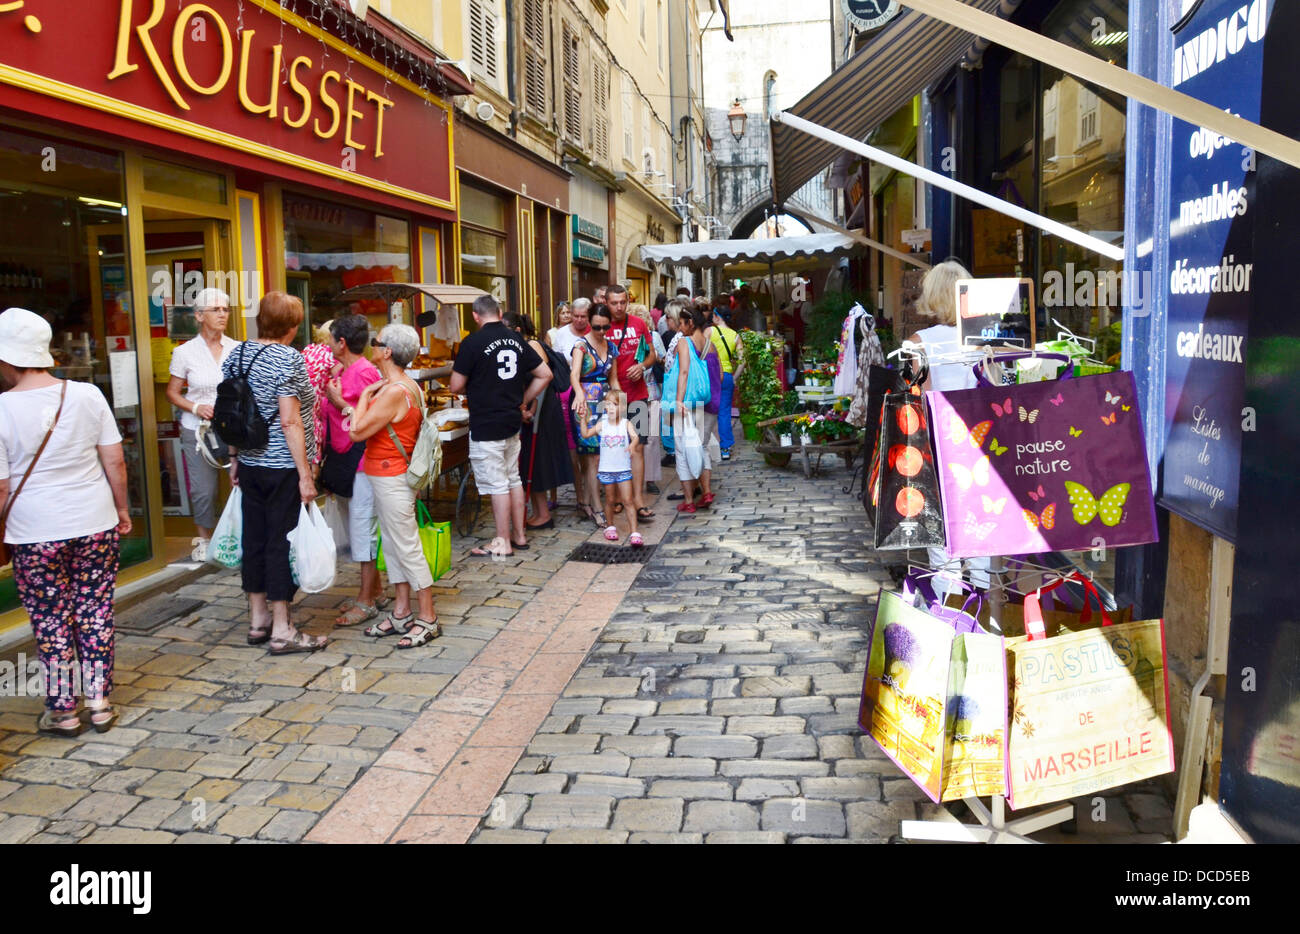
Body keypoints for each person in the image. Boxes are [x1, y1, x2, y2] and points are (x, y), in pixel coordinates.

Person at [0, 308, 131, 736]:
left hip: (34, 531)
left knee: (50, 618)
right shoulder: (87, 395)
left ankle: (64, 711)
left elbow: (1, 487)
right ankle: (100, 704)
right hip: (94, 521)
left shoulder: (2, 408)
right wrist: (122, 509)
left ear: (7, 359)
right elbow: (115, 461)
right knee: (95, 609)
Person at [224, 292, 325, 655]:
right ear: (292, 326)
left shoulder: (236, 354)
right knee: (280, 541)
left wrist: (234, 458)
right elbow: (290, 420)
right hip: (282, 466)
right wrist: (305, 475)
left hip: (250, 463)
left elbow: (231, 410)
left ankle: (258, 620)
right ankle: (283, 628)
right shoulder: (288, 358)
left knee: (254, 538)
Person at [349, 324, 440, 648]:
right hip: (388, 476)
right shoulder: (404, 385)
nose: (372, 345)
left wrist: (363, 397)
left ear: (387, 352)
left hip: (391, 477)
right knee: (393, 545)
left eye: (376, 342)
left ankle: (428, 616)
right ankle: (402, 611)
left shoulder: (393, 391)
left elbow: (356, 431)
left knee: (406, 546)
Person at [907, 259, 990, 602]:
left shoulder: (919, 342)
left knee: (941, 530)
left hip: (940, 442)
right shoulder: (983, 339)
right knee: (981, 524)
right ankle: (983, 605)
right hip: (981, 442)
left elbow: (920, 400)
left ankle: (947, 607)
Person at [448, 295, 551, 557]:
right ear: (500, 312)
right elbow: (545, 374)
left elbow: (455, 386)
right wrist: (523, 400)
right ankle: (519, 535)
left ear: (475, 316)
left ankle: (502, 541)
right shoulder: (515, 338)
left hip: (486, 422)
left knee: (497, 484)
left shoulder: (472, 342)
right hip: (511, 421)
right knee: (512, 478)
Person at [319, 314, 384, 628]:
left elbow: (375, 415)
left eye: (331, 339)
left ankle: (366, 600)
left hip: (362, 463)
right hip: (345, 462)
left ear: (341, 343)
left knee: (363, 532)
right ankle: (375, 591)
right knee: (358, 529)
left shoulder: (366, 372)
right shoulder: (345, 370)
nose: (328, 344)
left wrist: (338, 400)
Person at [165, 287, 237, 561]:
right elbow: (172, 393)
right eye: (215, 310)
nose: (222, 314)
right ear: (198, 316)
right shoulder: (184, 352)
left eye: (225, 309)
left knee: (240, 482)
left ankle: (239, 537)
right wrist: (196, 407)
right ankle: (204, 540)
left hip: (231, 427)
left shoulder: (236, 348)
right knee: (203, 490)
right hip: (197, 429)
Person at [504, 311, 573, 528]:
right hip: (533, 410)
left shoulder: (532, 346)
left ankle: (543, 514)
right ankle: (539, 511)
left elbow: (542, 380)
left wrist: (528, 406)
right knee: (530, 463)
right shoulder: (517, 348)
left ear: (517, 330)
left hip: (542, 411)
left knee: (538, 462)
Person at [604, 284, 657, 522]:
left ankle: (637, 499)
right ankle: (615, 498)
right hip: (612, 399)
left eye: (622, 302)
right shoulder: (601, 326)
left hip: (638, 394)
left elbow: (652, 354)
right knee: (613, 446)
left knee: (638, 447)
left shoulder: (638, 324)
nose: (619, 307)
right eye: (614, 303)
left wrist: (642, 366)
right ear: (606, 303)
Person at [570, 303, 620, 527]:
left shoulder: (612, 347)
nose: (601, 331)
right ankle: (598, 508)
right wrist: (580, 393)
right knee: (592, 457)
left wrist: (621, 403)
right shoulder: (580, 346)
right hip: (586, 404)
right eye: (597, 327)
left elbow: (614, 379)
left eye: (605, 327)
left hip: (606, 402)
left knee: (602, 454)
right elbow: (574, 374)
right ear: (589, 323)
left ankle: (588, 503)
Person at [577, 389, 642, 547]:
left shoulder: (625, 423)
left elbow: (635, 437)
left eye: (615, 404)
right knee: (610, 500)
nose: (611, 407)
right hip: (606, 470)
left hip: (623, 469)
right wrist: (583, 419)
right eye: (608, 404)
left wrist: (632, 445)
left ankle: (634, 532)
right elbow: (585, 434)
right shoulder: (602, 424)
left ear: (622, 407)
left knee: (628, 500)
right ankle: (610, 527)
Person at [668, 305, 716, 513]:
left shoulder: (684, 342)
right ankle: (707, 492)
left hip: (687, 403)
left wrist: (679, 400)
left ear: (691, 323)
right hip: (705, 401)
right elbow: (717, 374)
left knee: (682, 450)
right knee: (701, 447)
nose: (680, 328)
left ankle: (688, 500)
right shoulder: (709, 344)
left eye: (682, 323)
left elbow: (684, 372)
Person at [552, 297, 592, 514]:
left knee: (590, 448)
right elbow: (556, 365)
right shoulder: (561, 335)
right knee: (573, 448)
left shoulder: (595, 331)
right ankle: (580, 496)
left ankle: (592, 492)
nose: (578, 320)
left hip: (593, 393)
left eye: (583, 316)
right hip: (568, 393)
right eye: (575, 316)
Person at [628, 302, 663, 496]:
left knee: (648, 438)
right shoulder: (631, 338)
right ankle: (644, 479)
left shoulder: (653, 337)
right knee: (645, 439)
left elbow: (661, 358)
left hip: (648, 392)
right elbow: (663, 358)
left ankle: (647, 478)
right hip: (639, 393)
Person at [709, 303, 742, 461]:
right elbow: (742, 360)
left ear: (717, 316)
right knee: (724, 412)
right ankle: (725, 448)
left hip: (711, 375)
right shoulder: (735, 335)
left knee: (705, 411)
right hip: (727, 375)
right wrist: (734, 377)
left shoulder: (710, 331)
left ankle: (705, 445)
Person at [302, 321, 336, 469]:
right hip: (318, 414)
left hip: (302, 411)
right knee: (314, 469)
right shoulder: (332, 357)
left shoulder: (308, 349)